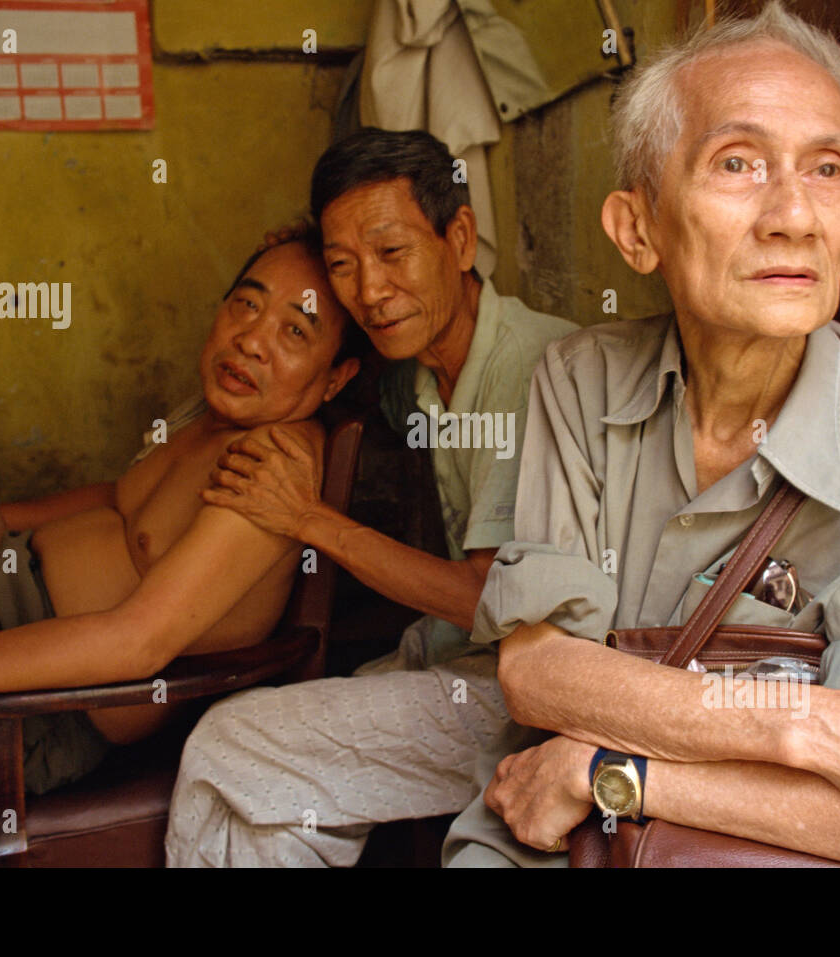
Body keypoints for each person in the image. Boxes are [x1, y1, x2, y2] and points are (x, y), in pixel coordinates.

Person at [442, 1, 840, 868]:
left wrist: (613, 768)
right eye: (737, 162)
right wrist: (819, 724)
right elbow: (536, 673)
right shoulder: (578, 379)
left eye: (827, 168)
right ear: (637, 229)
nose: (795, 215)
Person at [0, 230, 362, 813]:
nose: (251, 339)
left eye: (295, 331)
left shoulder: (271, 468)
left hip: (28, 708)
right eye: (247, 304)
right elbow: (122, 503)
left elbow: (137, 644)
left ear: (335, 377)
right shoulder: (216, 414)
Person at [163, 128, 577, 867]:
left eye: (391, 253)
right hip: (450, 660)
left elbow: (486, 596)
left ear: (459, 236)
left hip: (538, 694)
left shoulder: (529, 368)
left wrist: (309, 519)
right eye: (343, 266)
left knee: (232, 743)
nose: (371, 292)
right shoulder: (415, 367)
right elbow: (329, 352)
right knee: (267, 811)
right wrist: (301, 260)